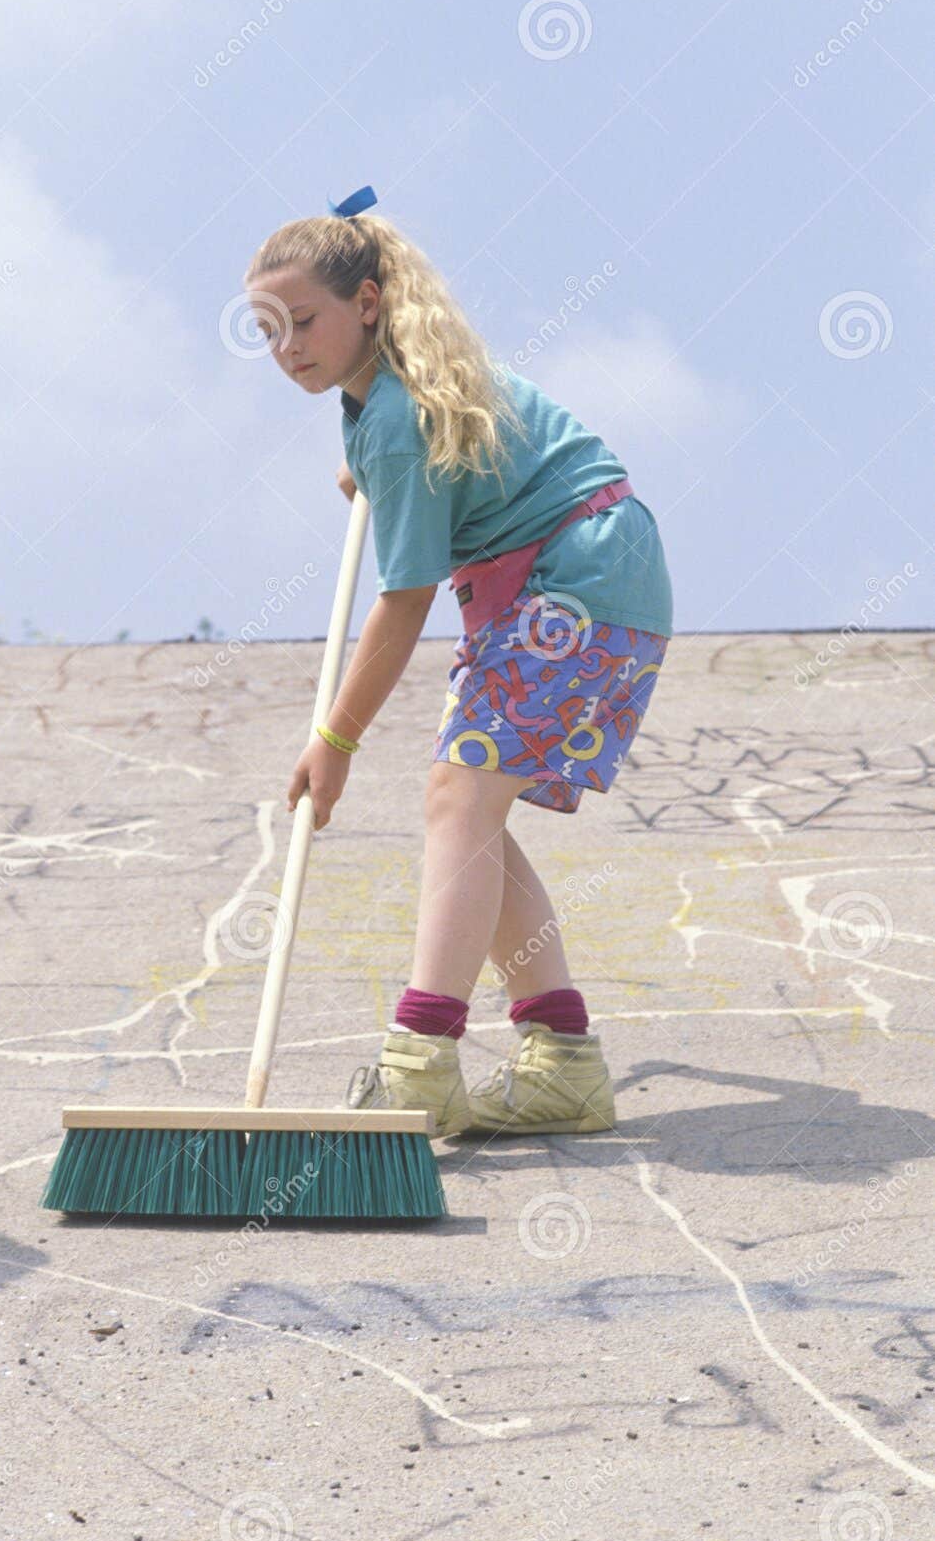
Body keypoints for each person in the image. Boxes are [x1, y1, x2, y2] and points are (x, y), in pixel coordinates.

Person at [243, 185, 672, 1140]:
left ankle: (420, 1059)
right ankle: (561, 1060)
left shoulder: (393, 415)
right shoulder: (383, 399)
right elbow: (397, 458)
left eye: (303, 322)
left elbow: (402, 604)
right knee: (470, 807)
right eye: (268, 333)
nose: (287, 350)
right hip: (590, 570)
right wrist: (364, 463)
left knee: (457, 797)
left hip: (576, 579)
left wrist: (335, 740)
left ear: (368, 304)